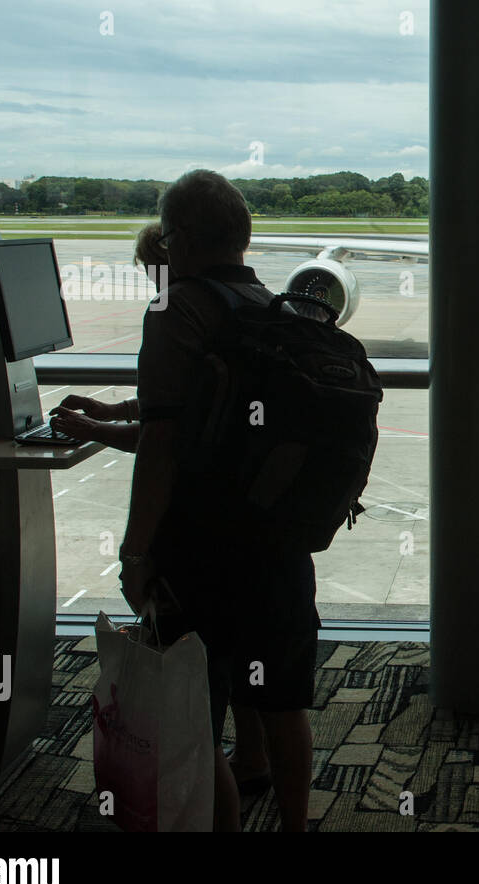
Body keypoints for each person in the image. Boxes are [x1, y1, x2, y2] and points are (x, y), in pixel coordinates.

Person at [53, 174, 320, 830]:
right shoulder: (273, 308)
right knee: (285, 707)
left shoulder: (175, 310)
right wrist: (116, 410)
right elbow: (207, 414)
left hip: (202, 554)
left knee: (191, 723)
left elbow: (164, 445)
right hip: (279, 547)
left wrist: (135, 550)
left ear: (179, 240)